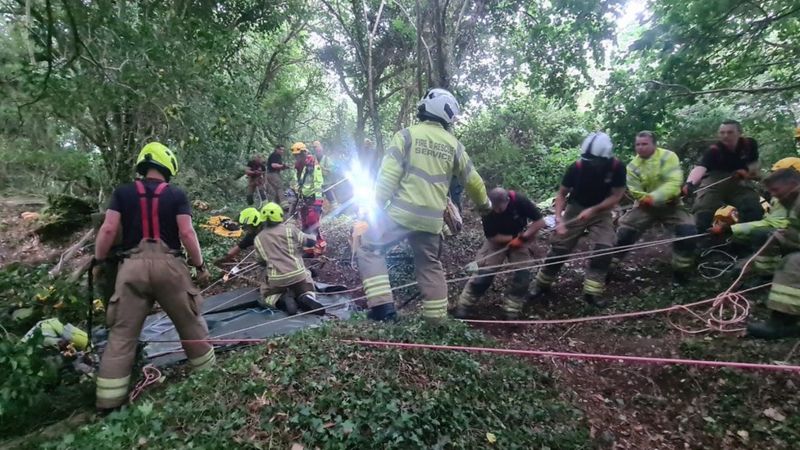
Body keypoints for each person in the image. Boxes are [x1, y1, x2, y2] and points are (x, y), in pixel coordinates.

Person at [93, 142, 214, 411]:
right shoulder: (176, 195)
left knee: (122, 335)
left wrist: (99, 261)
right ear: (168, 167)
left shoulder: (122, 193)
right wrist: (199, 265)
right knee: (190, 324)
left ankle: (108, 403)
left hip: (131, 267)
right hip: (170, 267)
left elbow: (108, 229)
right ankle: (210, 378)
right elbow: (186, 233)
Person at [357, 88, 491, 322]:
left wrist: (372, 210)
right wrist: (485, 206)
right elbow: (474, 181)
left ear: (426, 107)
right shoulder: (454, 145)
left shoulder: (406, 136)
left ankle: (382, 308)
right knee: (430, 264)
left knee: (369, 247)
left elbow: (386, 178)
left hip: (401, 214)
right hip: (431, 221)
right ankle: (436, 319)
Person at [530, 132, 626, 307]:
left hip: (602, 210)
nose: (591, 163)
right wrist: (559, 219)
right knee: (560, 248)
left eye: (594, 160)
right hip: (575, 209)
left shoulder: (617, 167)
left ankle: (592, 293)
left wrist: (594, 210)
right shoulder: (577, 168)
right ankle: (541, 284)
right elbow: (561, 194)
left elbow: (617, 195)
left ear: (605, 157)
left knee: (604, 248)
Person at [612, 131, 696, 281]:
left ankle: (681, 271)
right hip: (645, 207)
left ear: (654, 144)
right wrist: (645, 199)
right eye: (638, 144)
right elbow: (635, 190)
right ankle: (608, 269)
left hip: (672, 204)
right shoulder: (632, 166)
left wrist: (656, 197)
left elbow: (674, 182)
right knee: (624, 234)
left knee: (687, 232)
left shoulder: (668, 156)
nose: (640, 147)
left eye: (644, 144)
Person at [454, 187, 545, 319]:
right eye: (494, 208)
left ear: (507, 200)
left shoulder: (520, 201)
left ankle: (512, 307)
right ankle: (464, 305)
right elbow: (492, 237)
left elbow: (540, 222)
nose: (497, 211)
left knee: (523, 274)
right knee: (484, 274)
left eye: (500, 208)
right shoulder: (486, 209)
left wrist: (523, 237)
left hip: (520, 238)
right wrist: (512, 239)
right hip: (497, 242)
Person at [710, 158, 800, 280]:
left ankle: (767, 277)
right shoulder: (787, 195)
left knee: (762, 235)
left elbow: (778, 225)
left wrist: (731, 229)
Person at [744, 169, 800, 339]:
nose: (773, 195)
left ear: (791, 184)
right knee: (765, 236)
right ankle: (765, 279)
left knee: (792, 262)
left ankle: (782, 322)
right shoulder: (791, 200)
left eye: (776, 190)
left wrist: (789, 238)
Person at [682, 120, 763, 233]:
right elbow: (701, 167)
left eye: (730, 132)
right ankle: (703, 240)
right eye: (722, 132)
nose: (725, 136)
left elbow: (754, 164)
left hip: (739, 181)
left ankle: (744, 238)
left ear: (739, 133)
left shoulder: (749, 145)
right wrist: (689, 184)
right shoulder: (714, 150)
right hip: (714, 180)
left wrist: (747, 172)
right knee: (704, 209)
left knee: (752, 206)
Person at [254, 202, 323, 315]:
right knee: (307, 281)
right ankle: (307, 296)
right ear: (280, 215)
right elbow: (309, 242)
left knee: (266, 292)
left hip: (277, 279)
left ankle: (279, 300)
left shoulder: (258, 238)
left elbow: (261, 261)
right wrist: (313, 235)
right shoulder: (290, 229)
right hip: (298, 273)